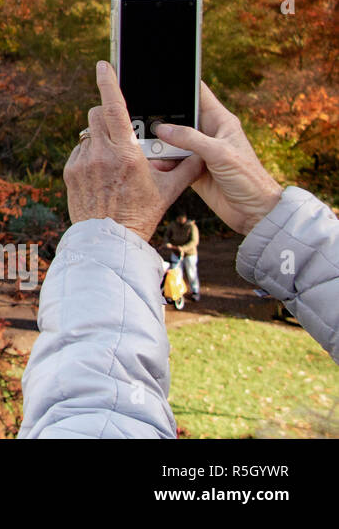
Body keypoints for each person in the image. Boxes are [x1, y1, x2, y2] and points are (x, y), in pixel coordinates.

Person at [20, 61, 339, 438]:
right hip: (200, 240)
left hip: (181, 253)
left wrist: (105, 238)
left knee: (186, 274)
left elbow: (96, 423)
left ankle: (194, 293)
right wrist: (271, 216)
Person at [160, 212, 200, 302]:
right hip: (176, 253)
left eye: (182, 218)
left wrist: (182, 248)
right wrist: (167, 243)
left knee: (191, 273)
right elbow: (167, 235)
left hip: (189, 254)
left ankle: (195, 291)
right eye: (178, 218)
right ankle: (177, 292)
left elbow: (194, 241)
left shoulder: (191, 226)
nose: (180, 220)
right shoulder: (173, 225)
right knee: (175, 274)